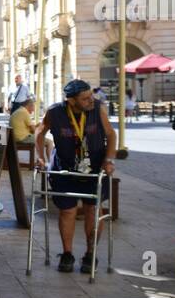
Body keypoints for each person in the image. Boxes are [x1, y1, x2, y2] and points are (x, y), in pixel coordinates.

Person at [35, 79, 116, 273]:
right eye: (85, 98)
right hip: (65, 169)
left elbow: (111, 135)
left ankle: (90, 254)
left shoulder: (98, 109)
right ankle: (67, 254)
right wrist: (40, 157)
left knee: (93, 211)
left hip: (95, 169)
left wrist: (110, 159)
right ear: (71, 101)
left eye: (91, 95)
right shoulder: (55, 112)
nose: (91, 100)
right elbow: (39, 132)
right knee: (67, 211)